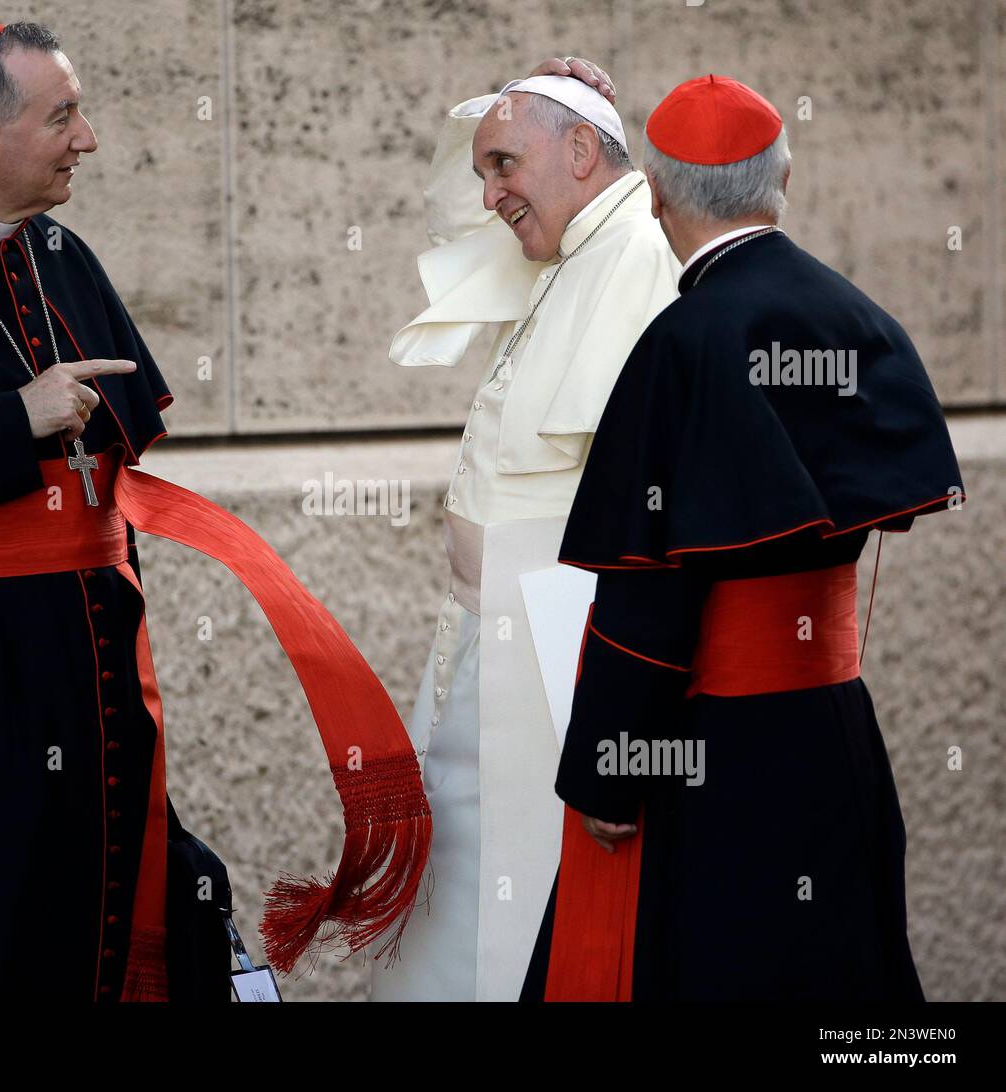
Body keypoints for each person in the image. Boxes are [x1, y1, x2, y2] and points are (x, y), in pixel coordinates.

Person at [0, 21, 428, 1002]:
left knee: (100, 907)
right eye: (62, 117)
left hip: (87, 654)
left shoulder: (62, 253)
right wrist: (11, 419)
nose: (88, 138)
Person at [521, 75, 964, 1001]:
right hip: (835, 727)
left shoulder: (684, 341)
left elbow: (649, 589)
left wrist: (610, 763)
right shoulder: (859, 317)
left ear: (654, 195)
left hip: (709, 747)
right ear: (783, 176)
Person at [375, 57, 679, 1001]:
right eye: (484, 168)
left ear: (584, 151)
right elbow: (462, 217)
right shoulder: (564, 240)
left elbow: (651, 519)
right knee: (460, 883)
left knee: (521, 913)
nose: (488, 193)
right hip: (483, 637)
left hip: (557, 653)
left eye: (503, 163)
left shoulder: (637, 256)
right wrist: (528, 101)